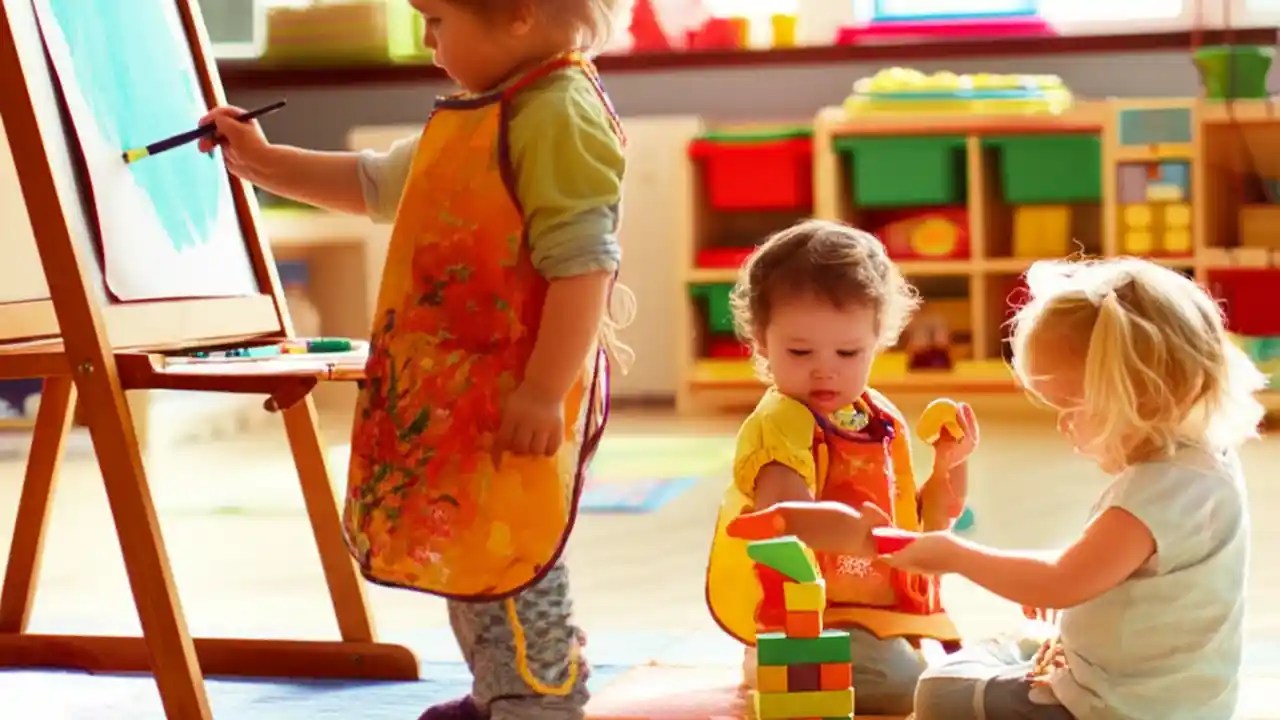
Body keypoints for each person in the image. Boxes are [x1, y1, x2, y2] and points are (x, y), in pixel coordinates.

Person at [198, 1, 634, 718]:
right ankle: (499, 689)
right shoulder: (490, 108)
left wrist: (542, 392)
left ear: (519, 16)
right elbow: (376, 185)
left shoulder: (557, 112)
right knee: (464, 542)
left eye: (437, 21)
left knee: (510, 550)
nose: (428, 43)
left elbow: (583, 267)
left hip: (515, 391)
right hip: (460, 390)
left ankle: (541, 696)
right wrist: (263, 161)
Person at [731, 258, 1267, 720]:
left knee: (939, 690)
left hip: (1117, 708)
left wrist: (959, 557)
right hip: (1182, 701)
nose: (1063, 427)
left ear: (1140, 395)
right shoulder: (1203, 470)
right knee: (1018, 645)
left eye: (1071, 408)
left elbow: (1062, 580)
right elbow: (1101, 569)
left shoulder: (1158, 489)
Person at [703, 219, 979, 715]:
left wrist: (948, 467)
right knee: (910, 688)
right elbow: (782, 518)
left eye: (848, 352)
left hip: (872, 609)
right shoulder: (781, 422)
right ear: (761, 341)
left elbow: (928, 521)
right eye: (800, 351)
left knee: (943, 674)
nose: (825, 368)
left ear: (878, 340)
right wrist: (857, 535)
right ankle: (765, 663)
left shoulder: (877, 417)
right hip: (804, 622)